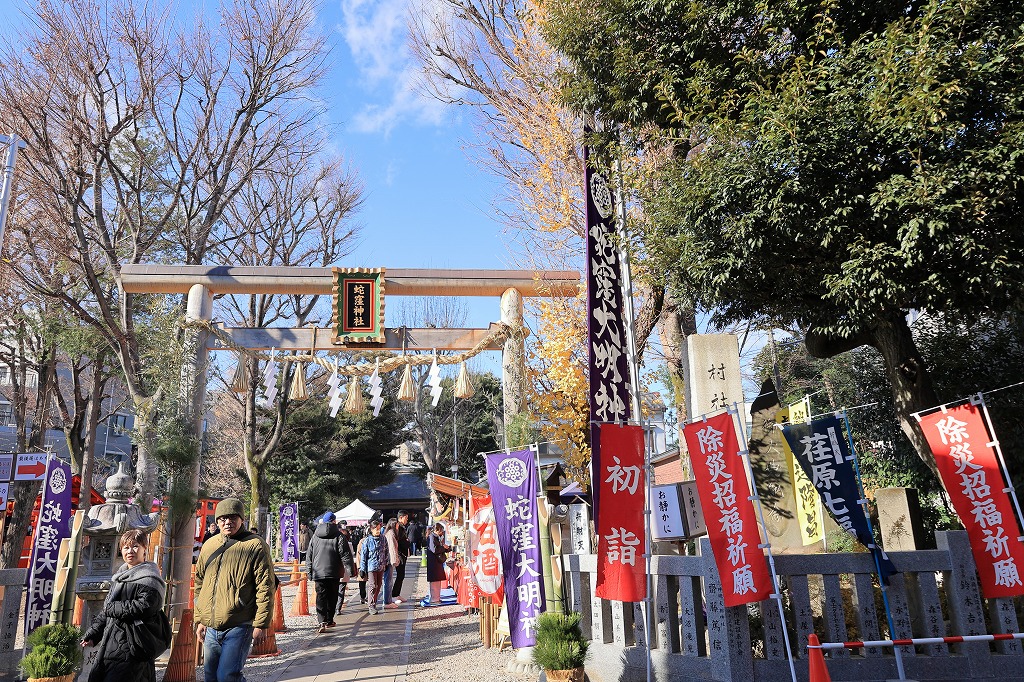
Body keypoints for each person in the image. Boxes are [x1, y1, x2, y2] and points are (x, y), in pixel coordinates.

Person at [194, 498, 276, 682]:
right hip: (211, 626)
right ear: (216, 521)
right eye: (222, 518)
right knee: (210, 676)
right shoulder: (209, 545)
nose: (227, 522)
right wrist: (200, 619)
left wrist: (261, 624)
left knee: (227, 676)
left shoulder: (255, 545)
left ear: (241, 519)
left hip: (240, 623)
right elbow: (200, 583)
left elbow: (266, 586)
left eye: (232, 517)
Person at [82, 529, 166, 682]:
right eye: (126, 547)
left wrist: (113, 608)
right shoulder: (120, 576)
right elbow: (107, 609)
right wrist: (94, 633)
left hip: (134, 644)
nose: (130, 551)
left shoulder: (149, 577)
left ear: (144, 548)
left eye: (135, 546)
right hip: (111, 642)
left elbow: (145, 606)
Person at [306, 512, 348, 632]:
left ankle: (321, 621)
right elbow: (344, 554)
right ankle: (329, 620)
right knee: (333, 596)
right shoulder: (339, 536)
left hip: (318, 572)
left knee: (321, 596)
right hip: (334, 572)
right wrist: (350, 569)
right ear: (334, 521)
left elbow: (309, 555)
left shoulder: (315, 536)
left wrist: (309, 571)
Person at [358, 520, 388, 615]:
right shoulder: (367, 541)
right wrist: (362, 569)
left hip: (381, 566)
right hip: (371, 566)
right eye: (376, 529)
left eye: (379, 529)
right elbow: (363, 555)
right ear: (371, 529)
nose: (378, 531)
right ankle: (371, 605)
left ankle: (374, 602)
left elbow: (386, 552)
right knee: (372, 585)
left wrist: (386, 563)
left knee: (378, 586)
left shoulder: (383, 539)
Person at [426, 523, 450, 606]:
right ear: (437, 530)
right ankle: (434, 599)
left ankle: (436, 598)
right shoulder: (432, 537)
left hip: (435, 562)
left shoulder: (434, 537)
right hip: (434, 562)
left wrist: (445, 548)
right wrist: (444, 548)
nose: (442, 532)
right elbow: (434, 550)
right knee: (435, 581)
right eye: (441, 530)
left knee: (436, 580)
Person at [390, 511, 410, 603]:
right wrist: (407, 542)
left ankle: (397, 594)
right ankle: (394, 595)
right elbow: (400, 541)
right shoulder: (398, 527)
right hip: (400, 553)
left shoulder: (402, 527)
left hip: (403, 553)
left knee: (401, 575)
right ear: (401, 517)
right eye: (406, 518)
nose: (407, 520)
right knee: (400, 574)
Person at [336, 521, 356, 615]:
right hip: (344, 570)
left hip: (336, 569)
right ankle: (338, 608)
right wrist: (352, 571)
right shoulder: (350, 545)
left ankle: (335, 608)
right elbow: (351, 557)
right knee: (341, 590)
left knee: (336, 589)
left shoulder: (335, 542)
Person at [381, 518, 401, 609]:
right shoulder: (390, 534)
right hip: (388, 560)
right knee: (387, 581)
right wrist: (394, 560)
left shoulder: (390, 533)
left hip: (388, 560)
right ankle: (387, 601)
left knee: (388, 581)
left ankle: (388, 600)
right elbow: (392, 549)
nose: (398, 526)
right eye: (397, 524)